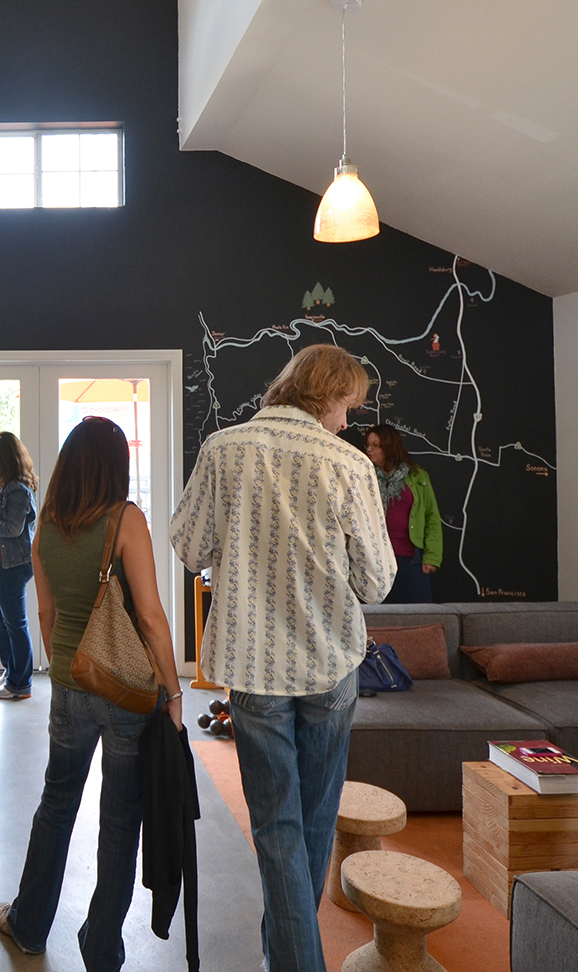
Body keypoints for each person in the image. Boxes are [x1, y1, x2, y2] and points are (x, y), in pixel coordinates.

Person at [169, 344, 396, 972]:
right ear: (323, 394)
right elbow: (376, 583)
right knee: (313, 821)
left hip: (253, 666)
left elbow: (190, 548)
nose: (349, 422)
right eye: (347, 406)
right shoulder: (349, 464)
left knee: (279, 830)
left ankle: (285, 953)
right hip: (331, 664)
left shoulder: (223, 448)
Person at [0, 416, 184, 969]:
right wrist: (173, 693)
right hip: (125, 690)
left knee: (56, 803)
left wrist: (63, 669)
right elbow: (150, 617)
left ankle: (29, 923)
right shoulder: (125, 520)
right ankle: (100, 945)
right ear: (115, 465)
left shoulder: (47, 523)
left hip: (71, 686)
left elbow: (46, 612)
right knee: (120, 818)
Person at [0, 431, 38, 700]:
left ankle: (21, 683)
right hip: (3, 562)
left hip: (17, 564)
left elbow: (13, 529)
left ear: (6, 459)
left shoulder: (19, 490)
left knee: (15, 623)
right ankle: (12, 671)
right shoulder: (5, 486)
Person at [364, 424, 442, 603]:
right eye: (368, 445)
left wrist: (432, 556)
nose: (369, 450)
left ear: (390, 447)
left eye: (375, 445)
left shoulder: (417, 476)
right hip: (377, 560)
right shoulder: (364, 476)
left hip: (411, 559)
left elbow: (432, 517)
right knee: (382, 618)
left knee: (419, 615)